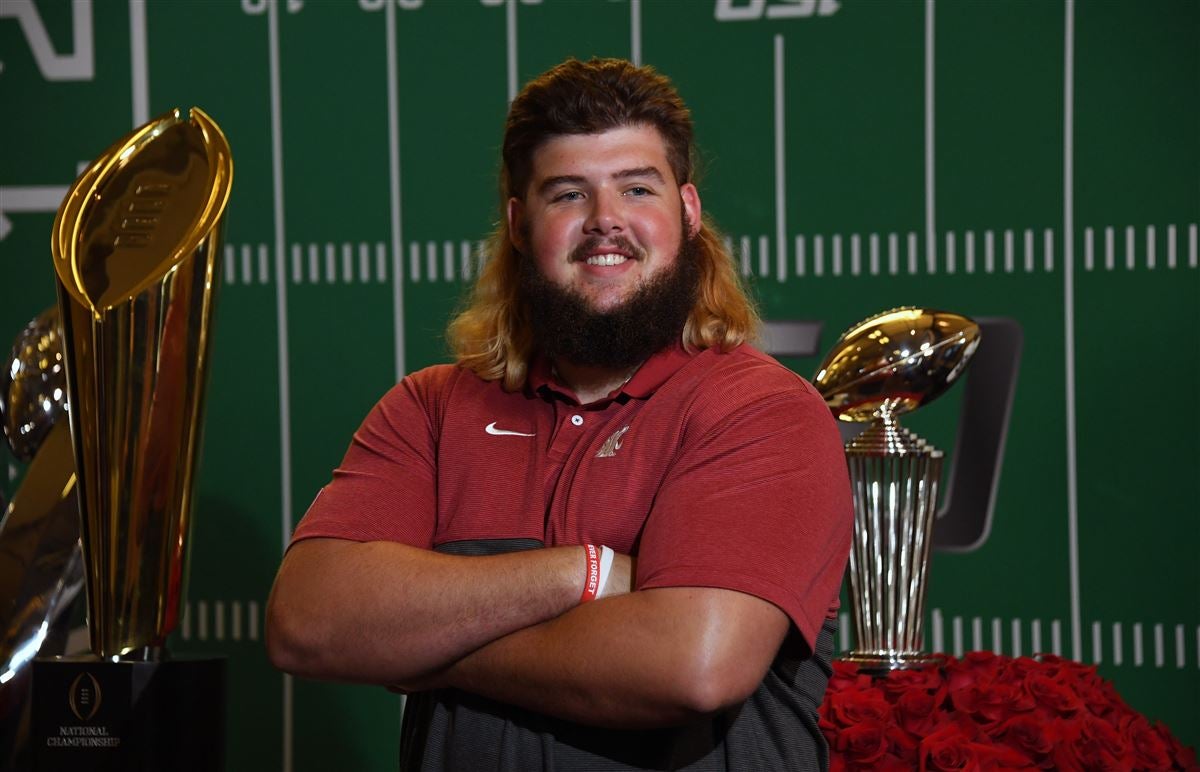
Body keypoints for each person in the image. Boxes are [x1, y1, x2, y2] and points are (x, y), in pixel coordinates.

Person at [266, 57, 853, 771]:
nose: (606, 222)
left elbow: (694, 664)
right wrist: (588, 573)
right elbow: (308, 623)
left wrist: (431, 643)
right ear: (518, 223)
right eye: (568, 194)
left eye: (637, 188)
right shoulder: (430, 409)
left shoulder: (759, 410)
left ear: (689, 212)